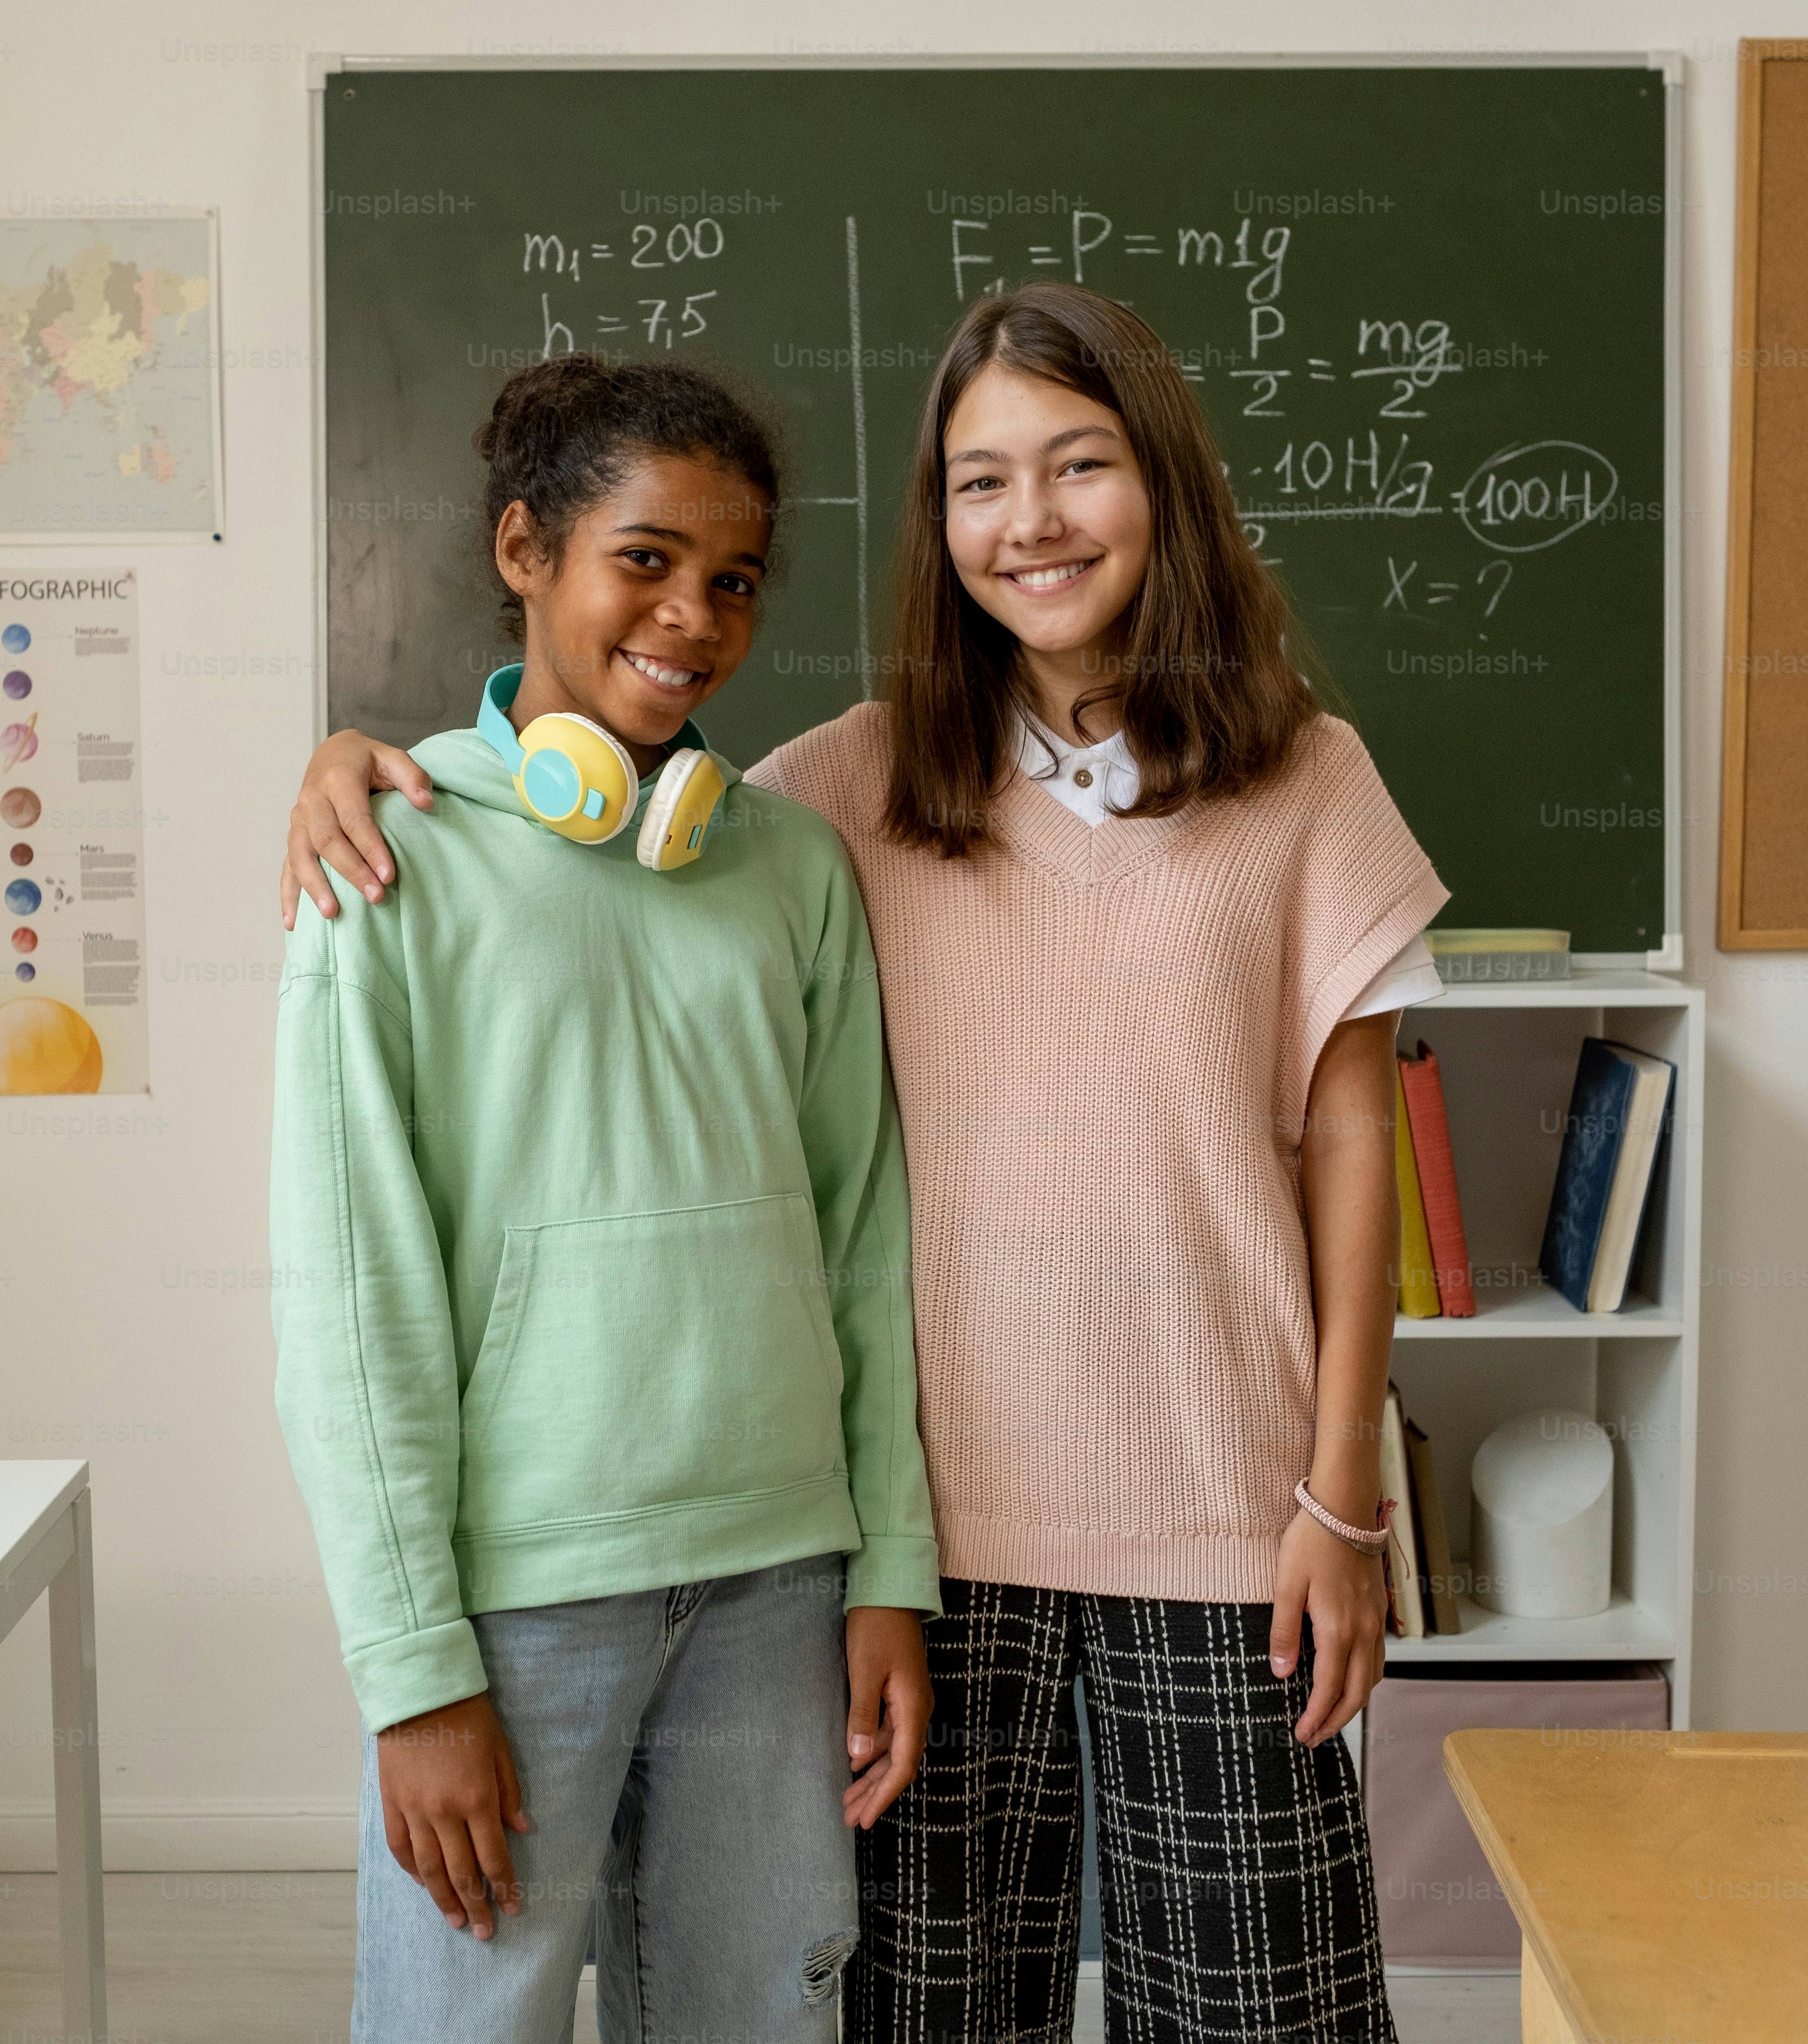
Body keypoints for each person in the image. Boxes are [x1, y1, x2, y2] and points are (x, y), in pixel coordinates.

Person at [279, 283, 1445, 2043]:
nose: (1031, 520)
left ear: (1167, 484)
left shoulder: (1292, 780)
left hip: (1184, 1528)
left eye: (1080, 465)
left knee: (1254, 2008)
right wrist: (349, 761)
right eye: (981, 481)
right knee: (920, 2013)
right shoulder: (840, 794)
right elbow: (593, 802)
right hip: (925, 1550)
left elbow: (1349, 1138)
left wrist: (1344, 1498)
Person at [271, 352, 941, 2044]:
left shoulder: (790, 867)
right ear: (526, 551)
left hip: (778, 1575)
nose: (693, 617)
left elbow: (863, 1242)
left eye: (732, 582)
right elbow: (352, 1296)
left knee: (756, 2021)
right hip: (520, 1598)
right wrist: (414, 1669)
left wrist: (888, 1573)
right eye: (644, 559)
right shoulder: (388, 859)